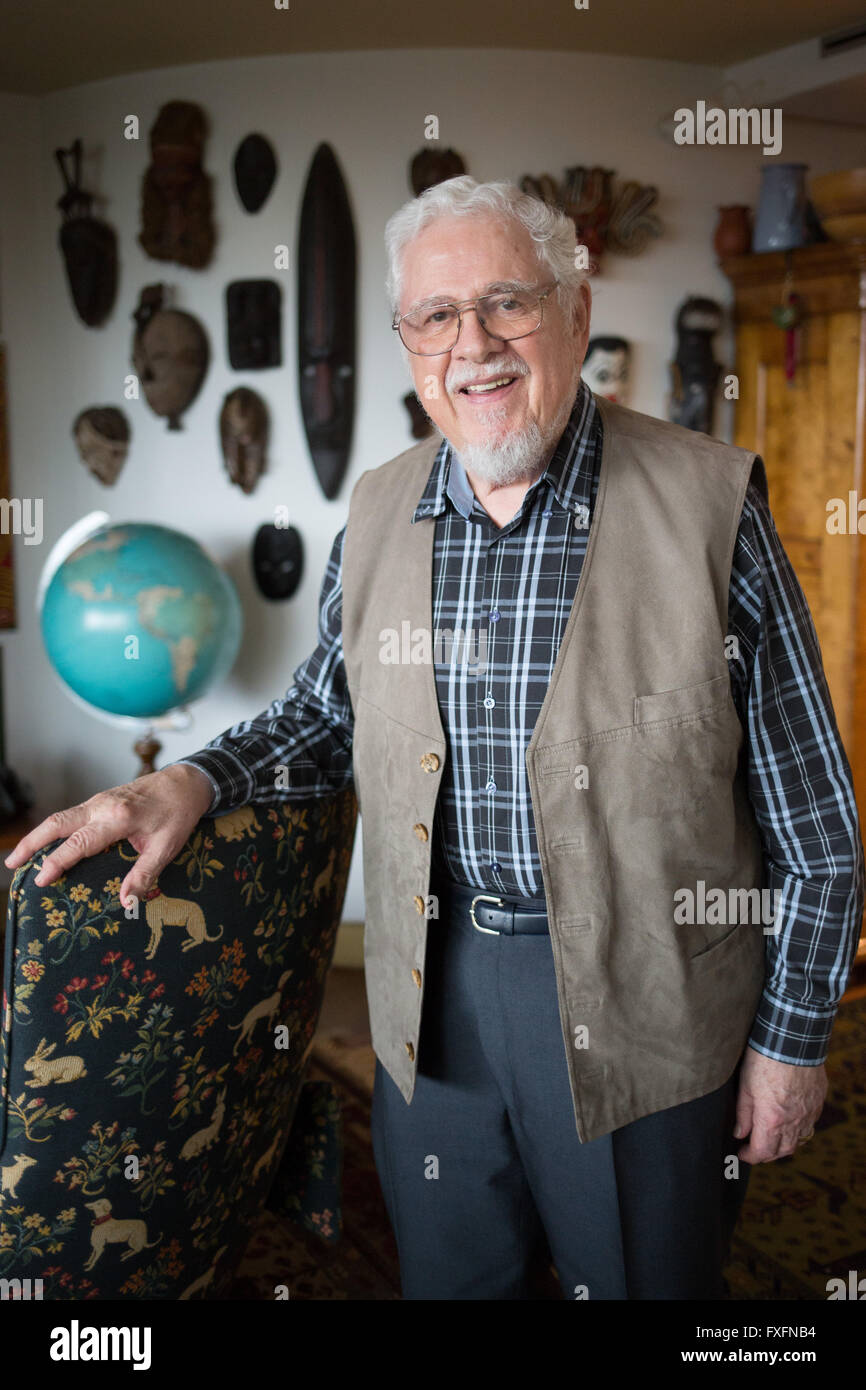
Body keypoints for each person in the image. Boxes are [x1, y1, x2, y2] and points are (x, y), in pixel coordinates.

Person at [7, 177, 863, 1301]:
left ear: (573, 310)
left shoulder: (710, 503)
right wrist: (191, 780)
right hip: (432, 999)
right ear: (407, 341)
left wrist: (791, 1047)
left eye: (507, 302)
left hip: (650, 1008)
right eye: (435, 316)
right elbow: (325, 712)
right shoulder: (374, 510)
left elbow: (818, 828)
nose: (474, 345)